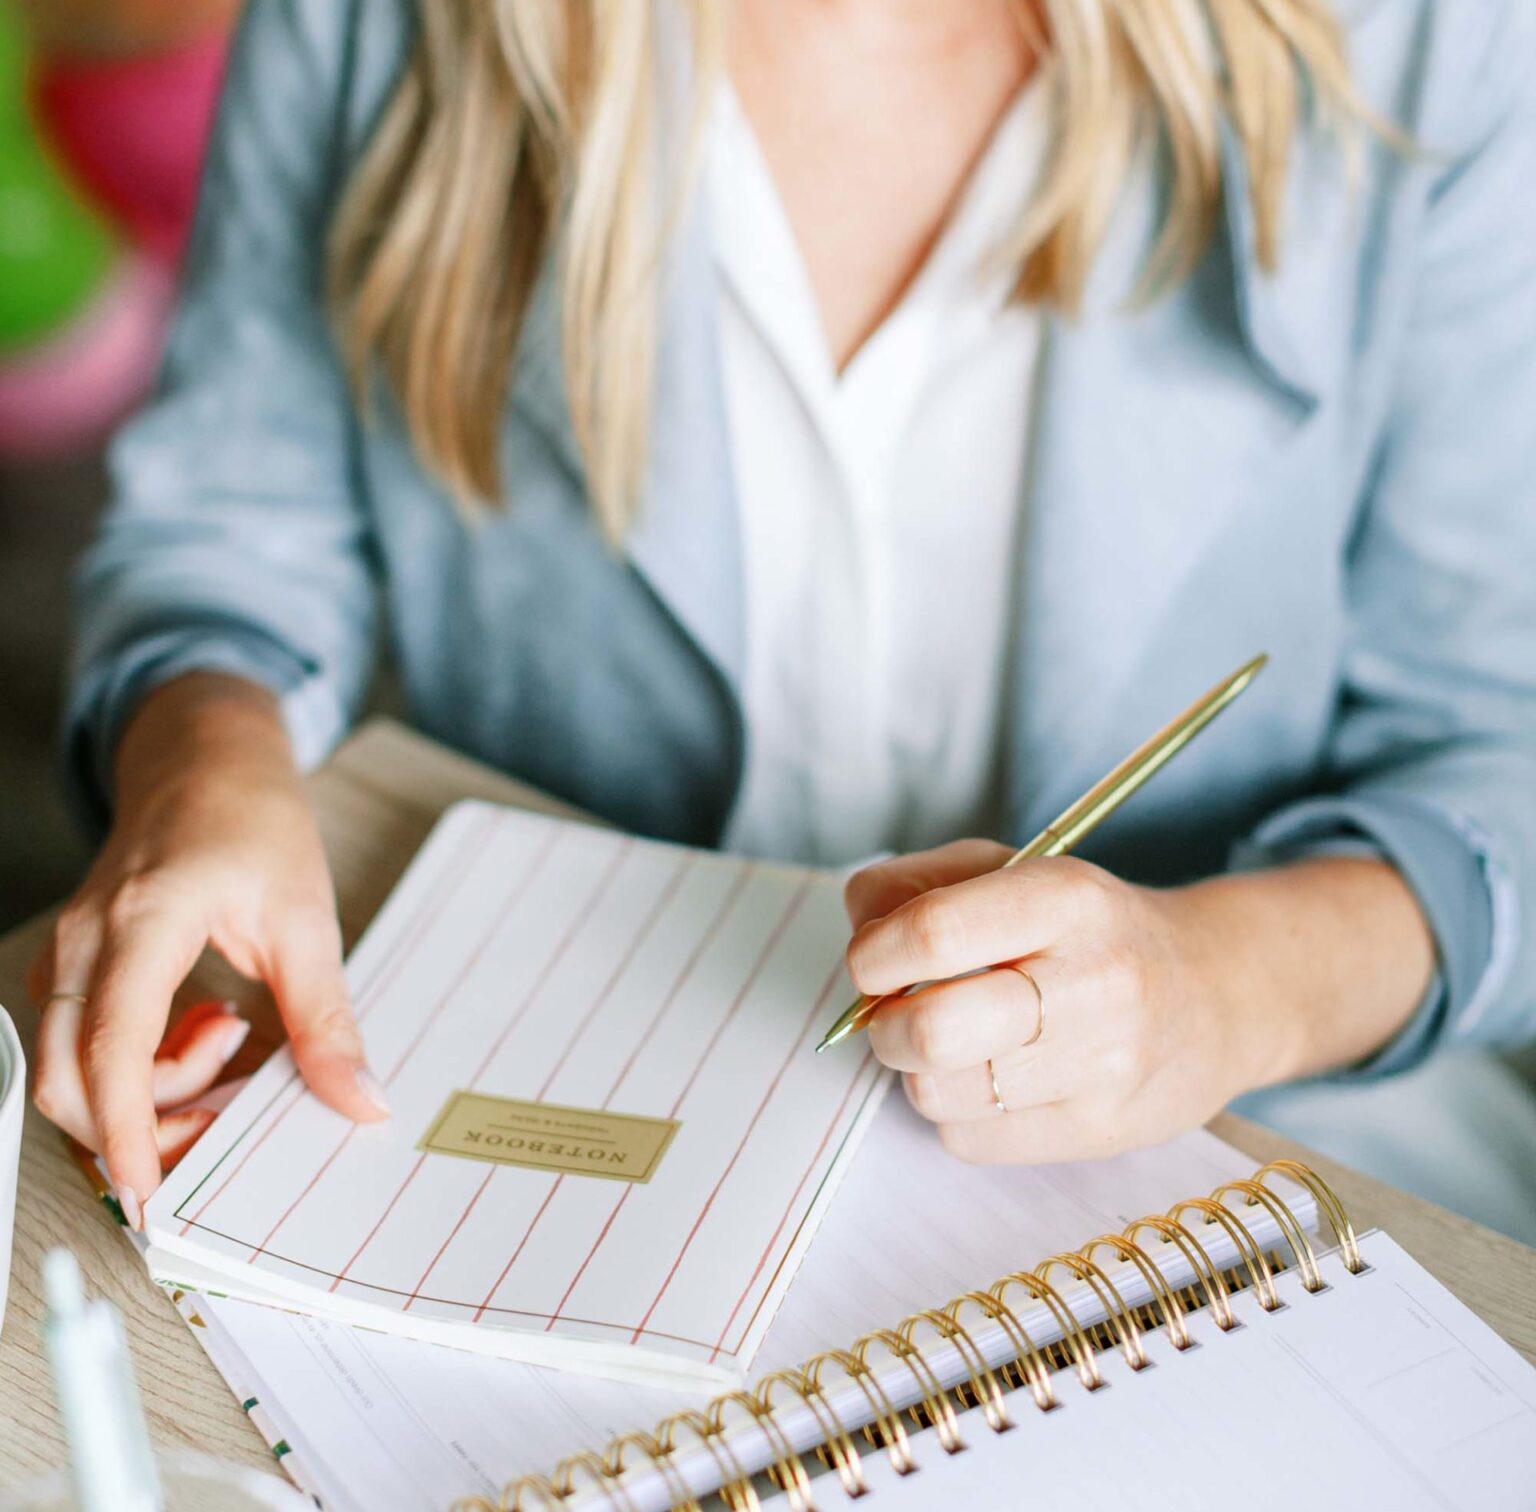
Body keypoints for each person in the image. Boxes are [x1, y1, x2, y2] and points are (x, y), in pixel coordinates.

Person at [29, 0, 1536, 1238]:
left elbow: (1502, 755)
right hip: (581, 1090)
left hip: (1255, 1146)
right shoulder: (388, 24)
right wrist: (203, 762)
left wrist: (1223, 987)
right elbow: (231, 531)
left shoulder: (1428, 40)